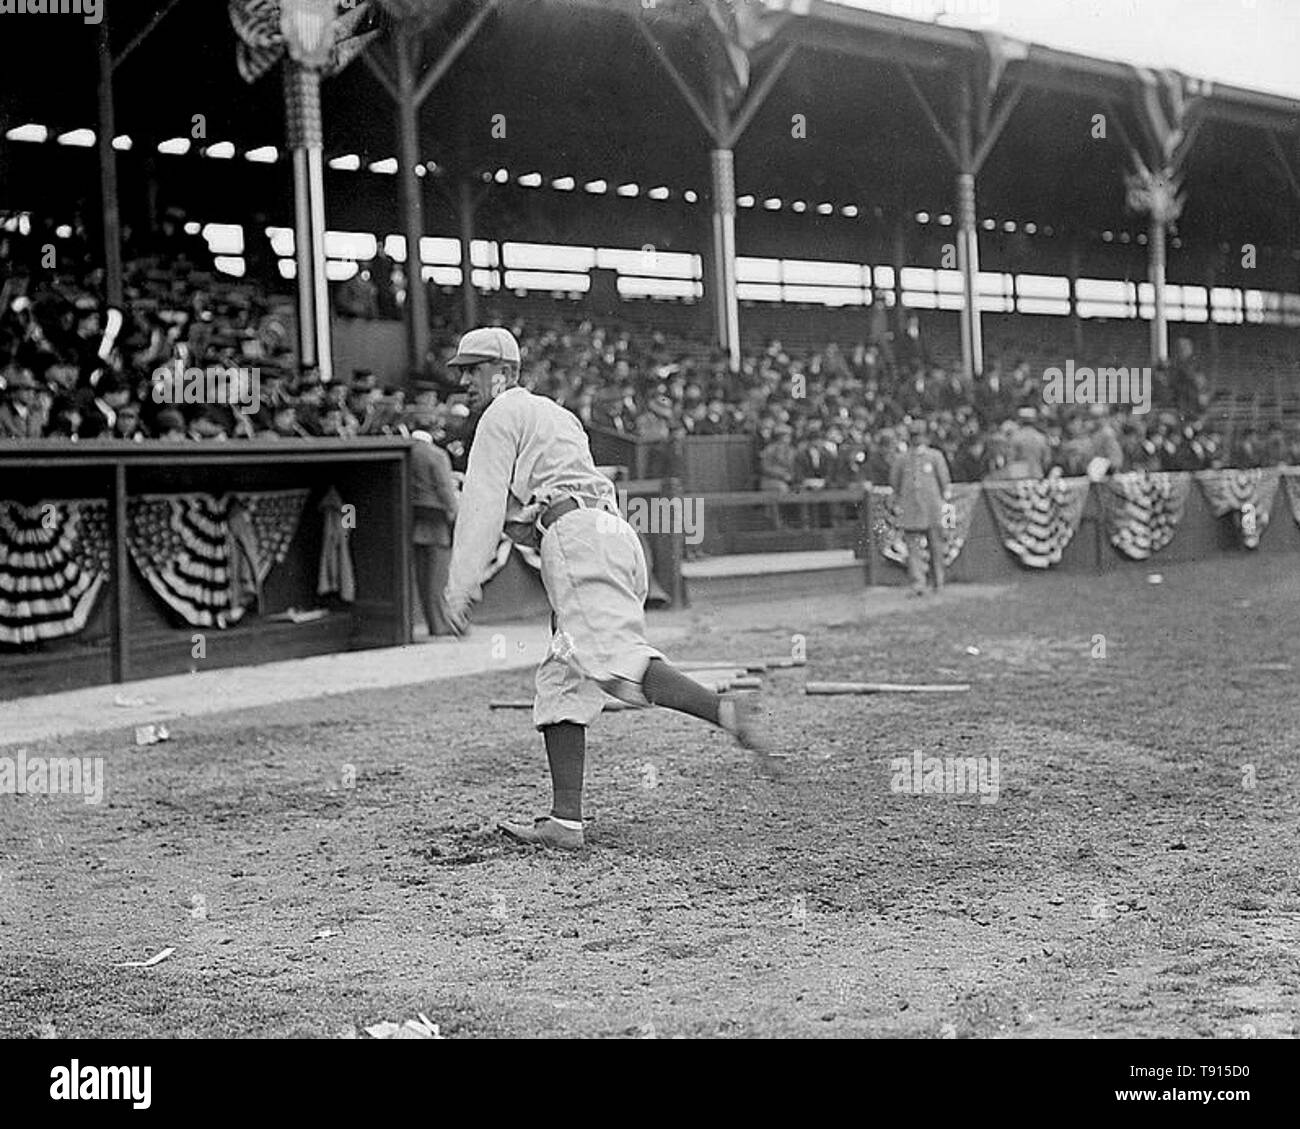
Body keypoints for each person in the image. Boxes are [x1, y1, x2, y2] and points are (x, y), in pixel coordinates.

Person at [441, 327, 785, 852]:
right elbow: (531, 508)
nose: (465, 380)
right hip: (610, 536)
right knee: (564, 678)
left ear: (505, 374)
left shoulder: (499, 414)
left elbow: (483, 505)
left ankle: (725, 712)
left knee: (616, 662)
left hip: (578, 539)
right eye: (461, 370)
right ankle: (565, 822)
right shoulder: (554, 415)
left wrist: (459, 586)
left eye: (475, 368)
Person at [407, 405, 460, 638]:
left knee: (421, 577)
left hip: (412, 520)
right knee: (438, 578)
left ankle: (434, 623)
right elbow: (446, 492)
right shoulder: (436, 455)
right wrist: (456, 515)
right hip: (437, 522)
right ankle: (440, 625)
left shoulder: (407, 452)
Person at [890, 419, 952, 596]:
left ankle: (938, 582)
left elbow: (945, 483)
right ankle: (918, 584)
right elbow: (895, 483)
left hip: (933, 510)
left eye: (920, 436)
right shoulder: (902, 459)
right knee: (913, 550)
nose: (917, 439)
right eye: (914, 436)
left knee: (936, 548)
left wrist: (945, 512)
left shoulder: (935, 457)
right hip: (911, 510)